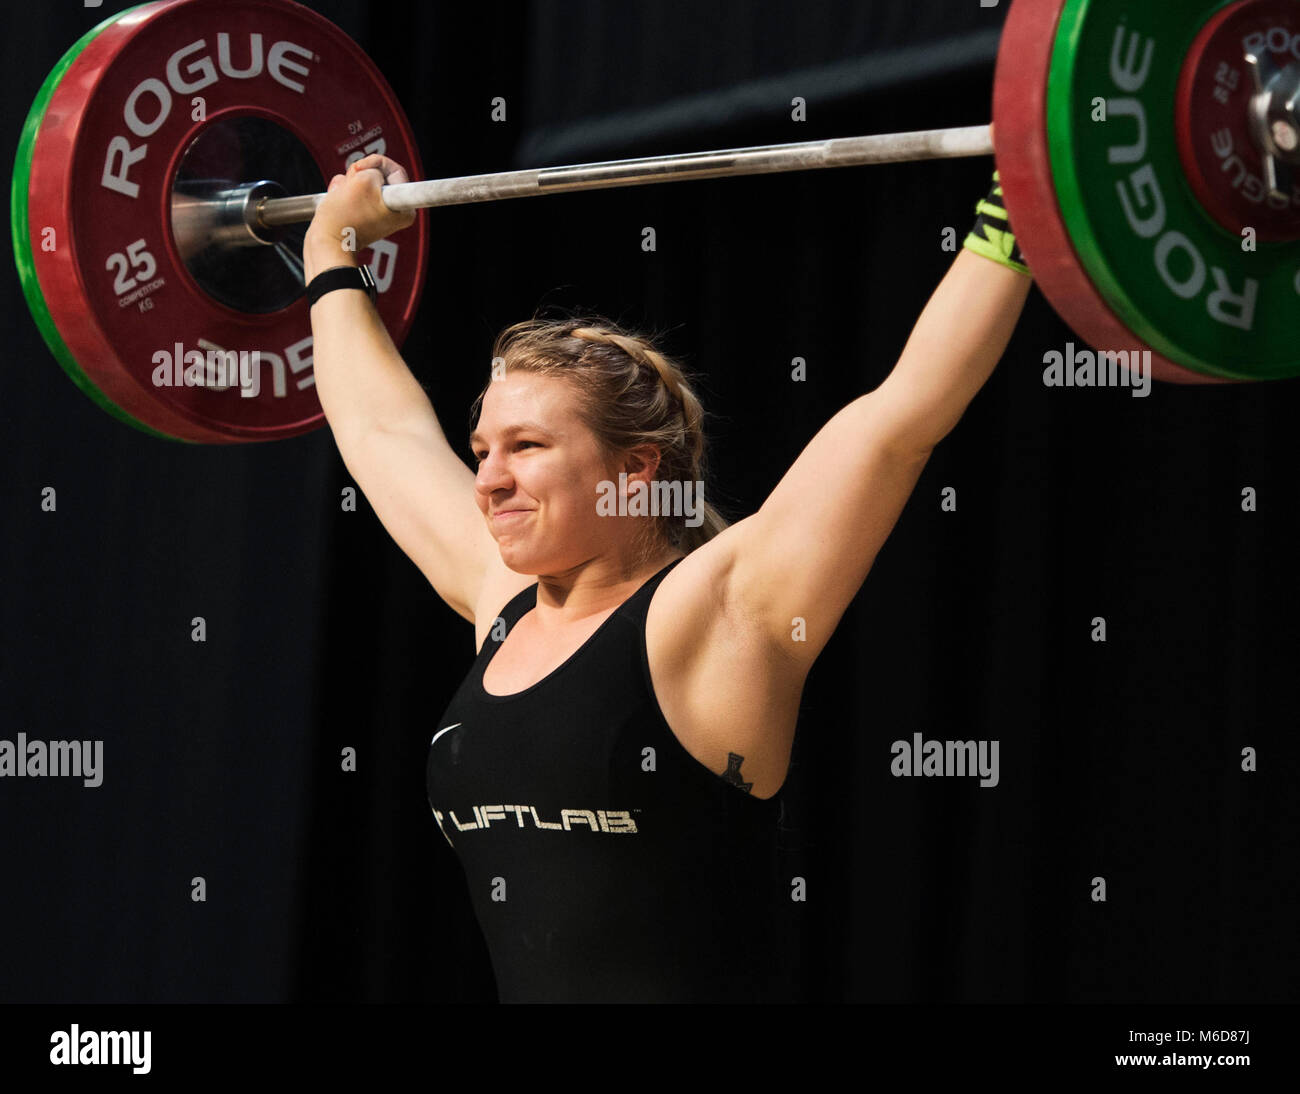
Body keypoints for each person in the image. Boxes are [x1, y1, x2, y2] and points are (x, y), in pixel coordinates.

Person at [302, 150, 1032, 1003]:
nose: (488, 479)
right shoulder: (503, 602)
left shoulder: (718, 609)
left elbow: (902, 417)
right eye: (481, 451)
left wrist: (1020, 186)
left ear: (637, 468)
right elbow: (379, 427)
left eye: (527, 446)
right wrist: (332, 250)